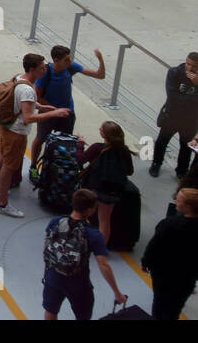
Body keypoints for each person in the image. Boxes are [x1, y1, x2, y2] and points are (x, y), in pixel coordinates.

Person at [0, 52, 70, 217]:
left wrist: (42, 107)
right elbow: (28, 117)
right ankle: (2, 203)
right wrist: (54, 114)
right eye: (41, 68)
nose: (45, 70)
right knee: (9, 166)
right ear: (32, 69)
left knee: (1, 156)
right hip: (17, 133)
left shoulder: (20, 78)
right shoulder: (28, 90)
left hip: (6, 126)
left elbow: (25, 104)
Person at [42, 189, 129, 320]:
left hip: (53, 276)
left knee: (50, 310)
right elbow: (103, 265)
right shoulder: (92, 234)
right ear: (89, 210)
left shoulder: (55, 222)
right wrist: (117, 293)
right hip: (78, 283)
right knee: (83, 316)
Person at [31, 45, 107, 169]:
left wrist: (100, 59)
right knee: (40, 139)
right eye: (66, 59)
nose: (70, 61)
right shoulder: (46, 73)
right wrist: (54, 110)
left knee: (64, 142)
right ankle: (33, 166)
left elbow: (100, 75)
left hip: (67, 114)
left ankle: (57, 168)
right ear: (56, 60)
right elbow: (37, 97)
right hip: (48, 113)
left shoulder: (70, 67)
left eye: (69, 58)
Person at [142, 187, 198, 319]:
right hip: (187, 277)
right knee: (175, 308)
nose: (175, 201)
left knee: (159, 304)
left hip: (164, 273)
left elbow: (154, 246)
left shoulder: (169, 224)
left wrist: (146, 262)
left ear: (188, 206)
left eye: (178, 200)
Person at [81, 121, 136, 249]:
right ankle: (100, 247)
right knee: (104, 220)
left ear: (104, 134)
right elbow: (129, 171)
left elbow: (80, 159)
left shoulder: (97, 148)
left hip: (94, 187)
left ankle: (82, 241)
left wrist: (80, 144)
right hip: (113, 191)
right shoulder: (125, 151)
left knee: (84, 214)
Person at [150, 53, 198, 179]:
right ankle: (156, 163)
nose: (190, 68)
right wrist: (192, 99)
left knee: (186, 146)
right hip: (172, 116)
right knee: (162, 141)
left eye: (194, 66)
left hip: (190, 120)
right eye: (188, 64)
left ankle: (181, 170)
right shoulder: (175, 73)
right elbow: (172, 97)